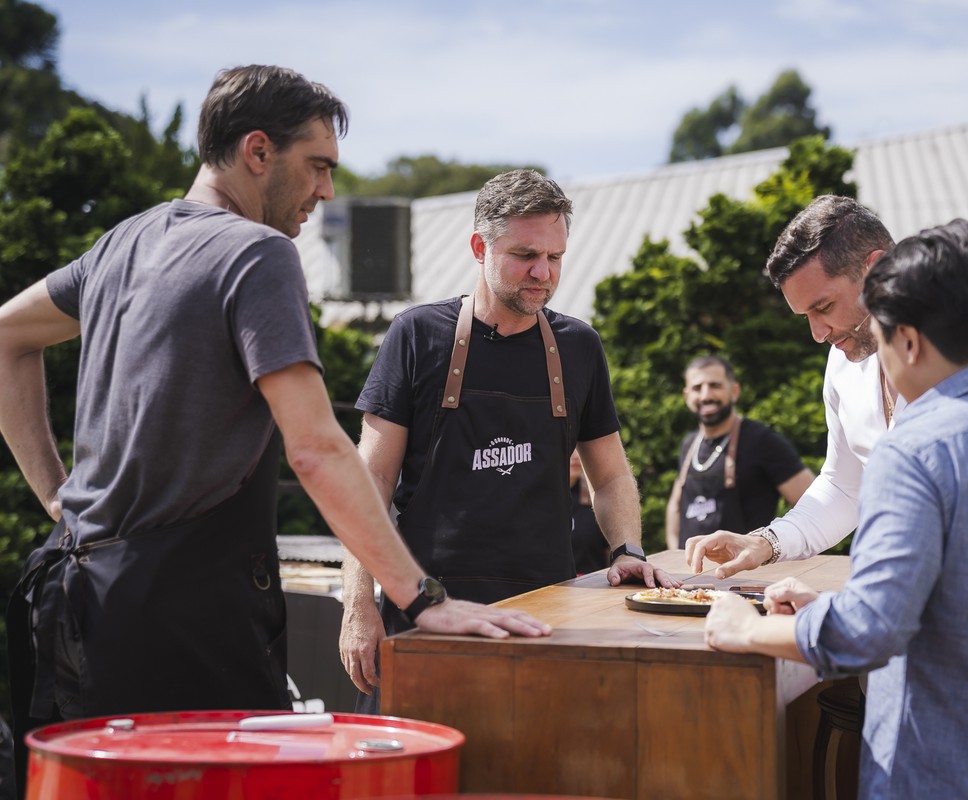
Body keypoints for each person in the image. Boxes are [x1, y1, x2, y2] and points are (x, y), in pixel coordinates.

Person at [0, 65, 549, 786]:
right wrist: (422, 599)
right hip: (183, 623)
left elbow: (7, 336)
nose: (327, 190)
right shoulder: (258, 253)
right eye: (317, 166)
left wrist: (57, 499)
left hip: (76, 601)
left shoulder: (122, 243)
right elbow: (319, 448)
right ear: (258, 151)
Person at [705, 219, 968, 798]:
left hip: (942, 768)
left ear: (910, 342)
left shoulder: (914, 449)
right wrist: (837, 598)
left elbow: (871, 631)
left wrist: (748, 629)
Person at [339, 169, 674, 708]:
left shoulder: (578, 347)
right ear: (480, 246)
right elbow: (369, 481)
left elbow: (610, 476)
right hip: (426, 611)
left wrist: (627, 549)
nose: (543, 272)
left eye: (555, 257)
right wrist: (358, 604)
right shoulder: (417, 335)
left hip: (543, 617)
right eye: (525, 255)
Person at [666, 355, 814, 550]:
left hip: (749, 575)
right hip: (690, 575)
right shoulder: (689, 444)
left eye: (715, 386)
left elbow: (813, 505)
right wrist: (674, 553)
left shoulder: (763, 440)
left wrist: (779, 548)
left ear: (734, 391)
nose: (706, 395)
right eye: (697, 388)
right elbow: (675, 506)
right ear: (687, 397)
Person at [569, 449, 609, 574]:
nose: (576, 456)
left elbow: (609, 551)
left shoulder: (596, 497)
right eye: (571, 448)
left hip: (594, 586)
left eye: (578, 449)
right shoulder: (540, 500)